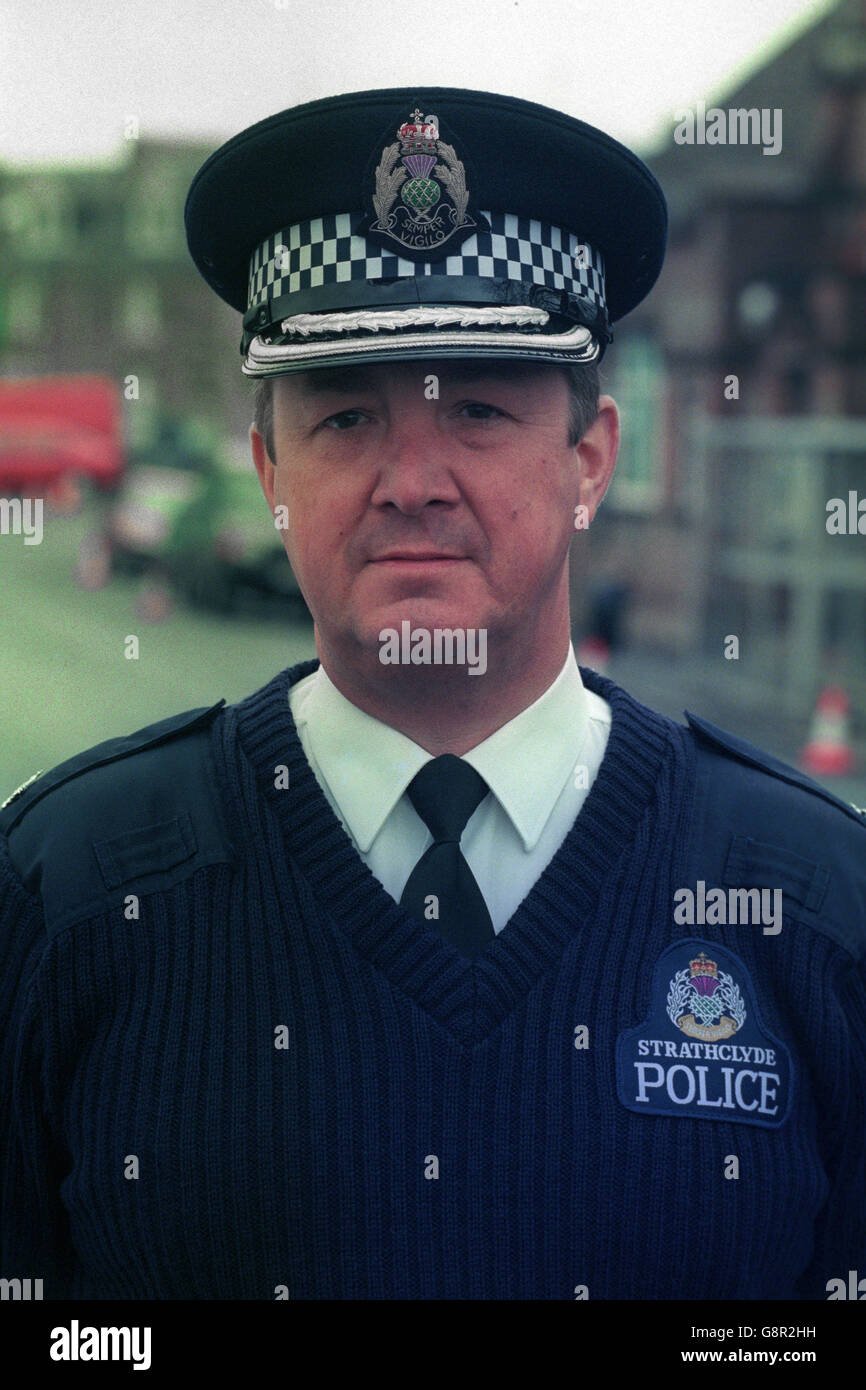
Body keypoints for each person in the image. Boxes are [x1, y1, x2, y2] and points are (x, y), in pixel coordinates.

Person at [1, 87, 864, 1302]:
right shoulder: (66, 892)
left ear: (591, 458)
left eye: (477, 408)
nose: (412, 480)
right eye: (346, 412)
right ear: (268, 469)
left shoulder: (815, 906)